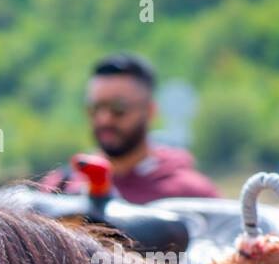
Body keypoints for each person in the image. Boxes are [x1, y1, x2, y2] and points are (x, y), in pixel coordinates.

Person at [41, 53, 219, 204]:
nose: (105, 119)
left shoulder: (190, 194)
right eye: (96, 108)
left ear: (149, 111)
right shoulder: (61, 187)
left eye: (118, 108)